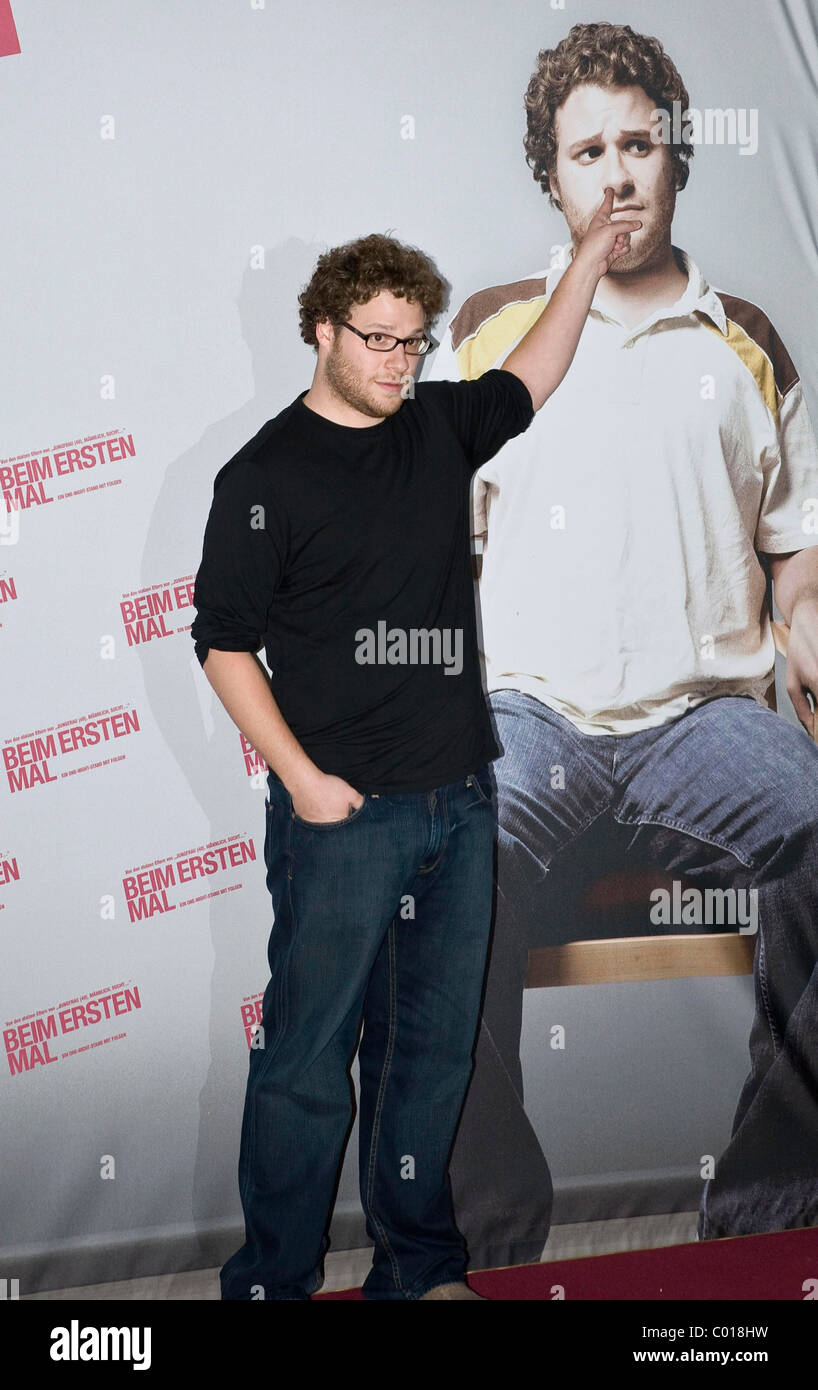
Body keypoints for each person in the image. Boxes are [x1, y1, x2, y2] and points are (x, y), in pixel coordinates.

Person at [189, 212, 639, 1300]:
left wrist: (580, 262)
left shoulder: (435, 425)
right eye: (377, 339)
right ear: (321, 332)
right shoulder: (263, 476)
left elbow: (530, 374)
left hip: (458, 802)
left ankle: (419, 1269)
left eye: (412, 341)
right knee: (302, 1070)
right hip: (342, 820)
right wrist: (303, 781)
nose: (398, 361)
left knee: (431, 1059)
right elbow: (221, 641)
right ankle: (272, 1284)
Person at [429, 20, 818, 1270]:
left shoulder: (744, 338)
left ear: (673, 157)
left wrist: (802, 628)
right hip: (531, 718)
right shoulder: (491, 333)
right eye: (585, 149)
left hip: (700, 724)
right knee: (435, 864)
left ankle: (761, 1219)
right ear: (552, 177)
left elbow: (791, 551)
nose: (614, 172)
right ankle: (491, 1247)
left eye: (636, 143)